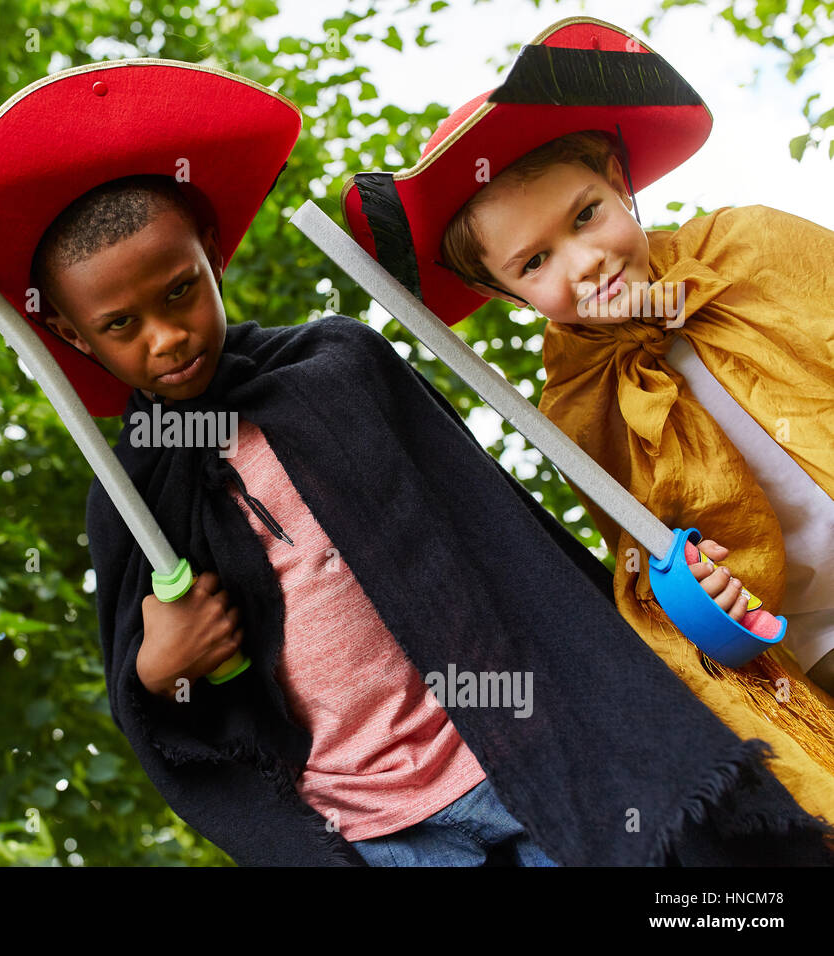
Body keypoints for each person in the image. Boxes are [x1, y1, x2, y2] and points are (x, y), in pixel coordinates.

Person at [0, 57, 834, 866]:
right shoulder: (130, 488)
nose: (165, 338)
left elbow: (508, 539)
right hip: (375, 826)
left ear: (212, 260)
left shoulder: (339, 369)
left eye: (180, 293)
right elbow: (159, 703)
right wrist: (158, 668)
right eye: (120, 326)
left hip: (518, 749)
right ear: (67, 332)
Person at [339, 15, 834, 825]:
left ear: (617, 176)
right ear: (507, 290)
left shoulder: (756, 246)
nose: (586, 264)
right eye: (535, 263)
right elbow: (650, 566)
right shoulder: (575, 412)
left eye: (585, 215)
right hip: (817, 641)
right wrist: (696, 591)